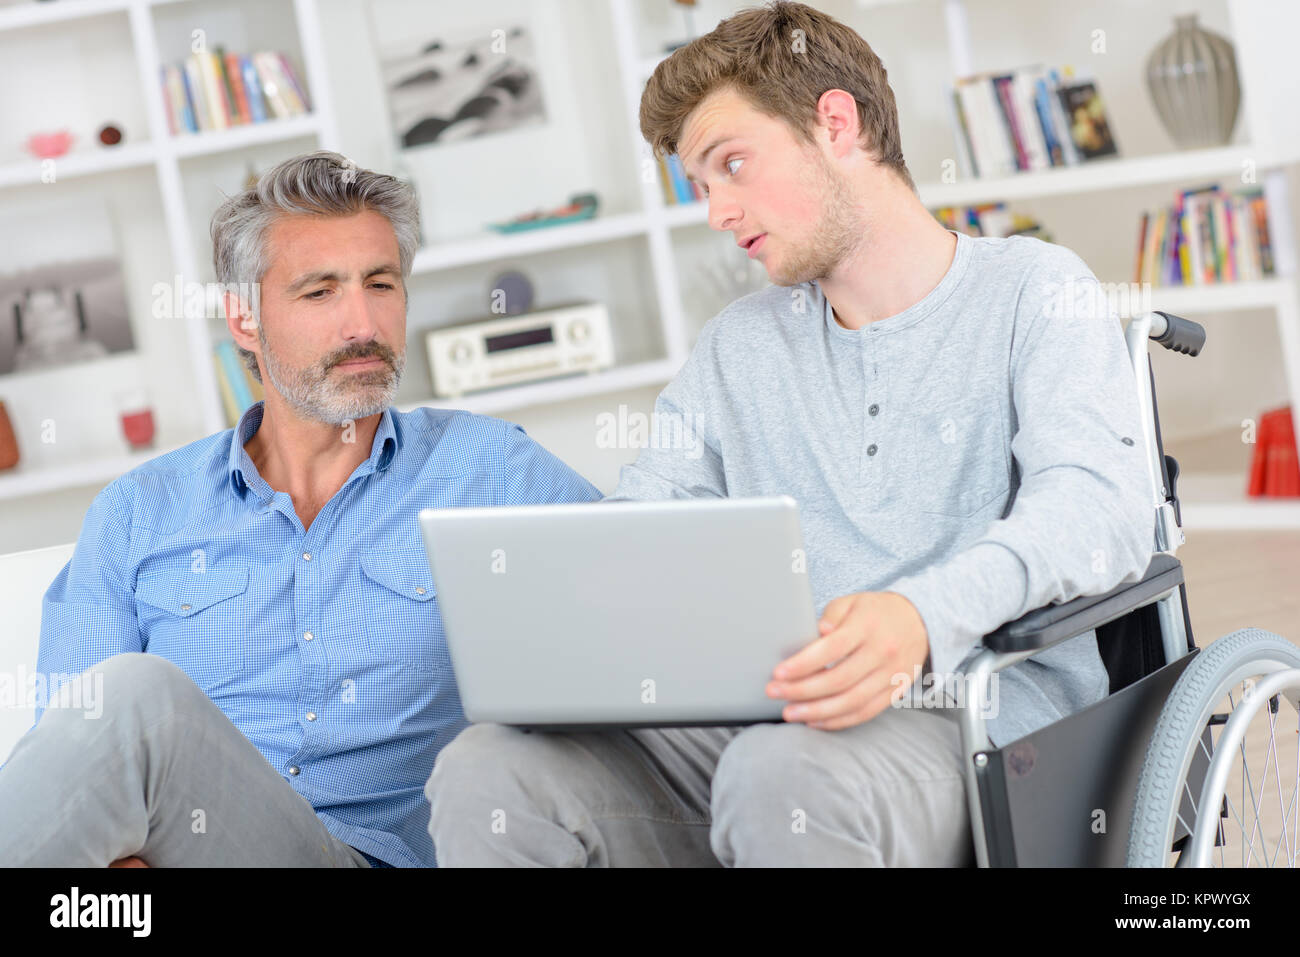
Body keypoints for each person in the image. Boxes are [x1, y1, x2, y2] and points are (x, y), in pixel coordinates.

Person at [426, 1, 1154, 867]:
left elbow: (1097, 508)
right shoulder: (740, 345)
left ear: (836, 124)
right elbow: (642, 525)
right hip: (768, 722)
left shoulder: (1034, 290)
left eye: (732, 164)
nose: (716, 211)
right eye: (700, 184)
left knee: (782, 775)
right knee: (488, 771)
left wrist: (921, 617)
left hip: (977, 719)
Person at [0, 151, 600, 867]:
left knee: (136, 694)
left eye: (381, 283)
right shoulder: (137, 514)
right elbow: (78, 765)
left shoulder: (489, 468)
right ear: (245, 321)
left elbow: (640, 603)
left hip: (385, 857)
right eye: (320, 292)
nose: (362, 323)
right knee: (124, 702)